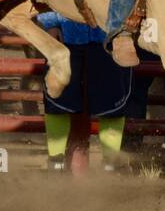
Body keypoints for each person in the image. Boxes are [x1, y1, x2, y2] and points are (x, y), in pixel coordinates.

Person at [36, 12, 133, 172]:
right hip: (67, 33)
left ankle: (111, 166)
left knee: (112, 103)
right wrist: (50, 23)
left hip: (111, 33)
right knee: (58, 99)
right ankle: (55, 162)